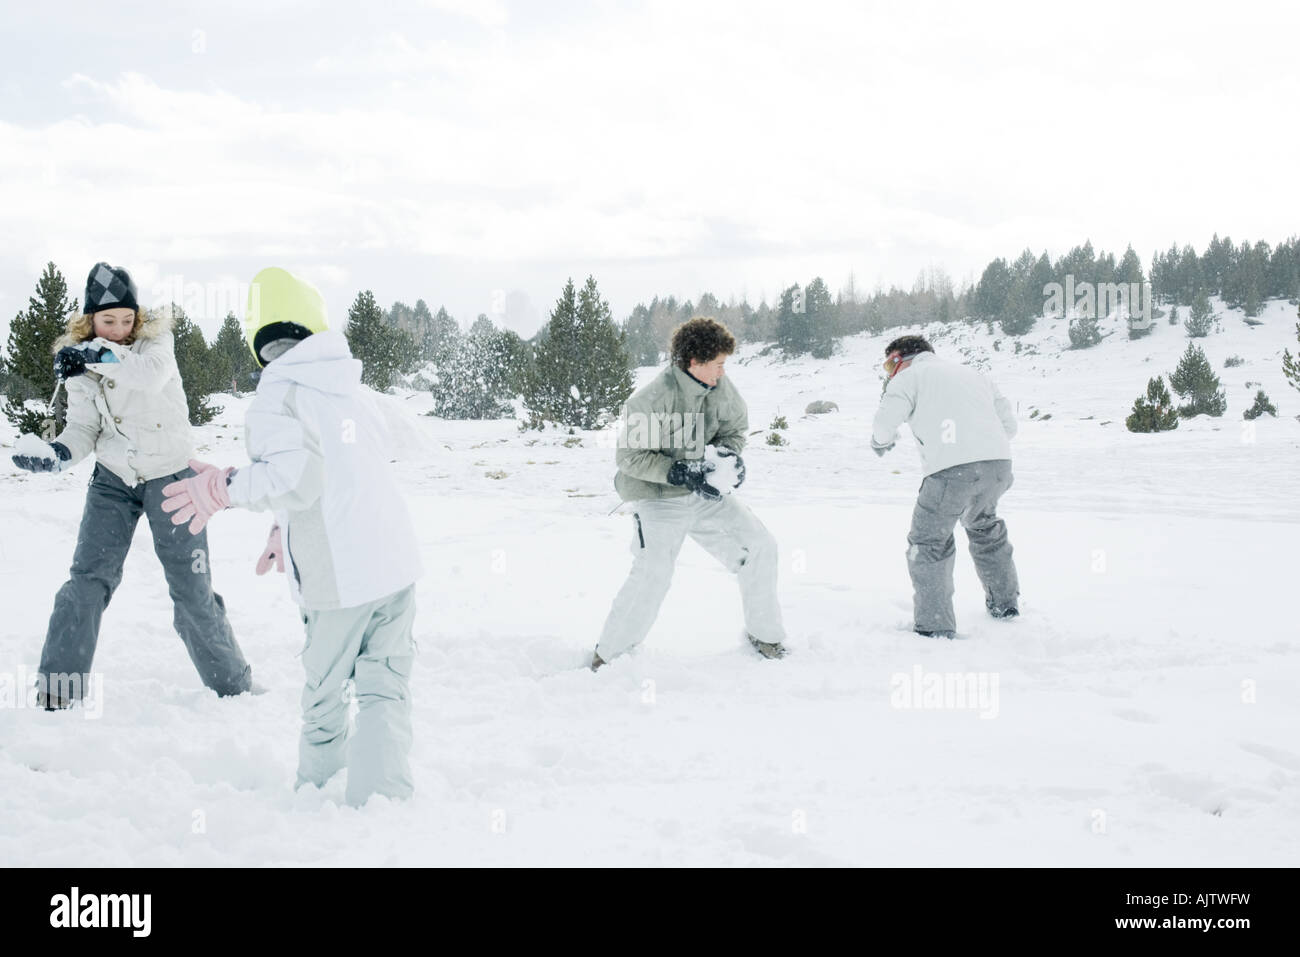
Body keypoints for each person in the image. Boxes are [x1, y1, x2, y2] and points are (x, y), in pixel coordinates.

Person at [160, 267, 423, 807]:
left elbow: (297, 477)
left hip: (341, 579)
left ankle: (318, 803)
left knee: (326, 695)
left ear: (261, 345)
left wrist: (222, 488)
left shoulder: (278, 395)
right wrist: (283, 526)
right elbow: (342, 467)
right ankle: (386, 804)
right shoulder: (353, 389)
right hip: (396, 568)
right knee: (384, 687)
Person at [11, 262, 252, 709]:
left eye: (126, 319)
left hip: (173, 477)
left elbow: (149, 375)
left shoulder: (155, 340)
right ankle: (57, 693)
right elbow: (83, 428)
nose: (120, 328)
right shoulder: (79, 361)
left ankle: (233, 689)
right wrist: (58, 454)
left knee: (192, 593)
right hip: (114, 480)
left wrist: (96, 356)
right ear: (89, 321)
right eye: (108, 321)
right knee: (86, 582)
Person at [591, 316, 788, 670]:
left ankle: (766, 635)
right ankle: (609, 656)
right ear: (694, 362)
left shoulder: (720, 388)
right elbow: (629, 458)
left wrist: (727, 458)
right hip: (659, 498)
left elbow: (735, 429)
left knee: (760, 547)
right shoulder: (653, 398)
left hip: (704, 495)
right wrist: (677, 471)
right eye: (718, 365)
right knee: (654, 570)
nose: (722, 373)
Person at [871, 334, 1020, 638]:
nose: (890, 372)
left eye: (889, 365)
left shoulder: (909, 377)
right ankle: (1005, 605)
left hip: (951, 471)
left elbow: (884, 424)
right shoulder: (975, 375)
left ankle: (934, 627)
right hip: (999, 466)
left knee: (928, 542)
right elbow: (1010, 426)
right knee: (985, 528)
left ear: (901, 357)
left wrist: (880, 442)